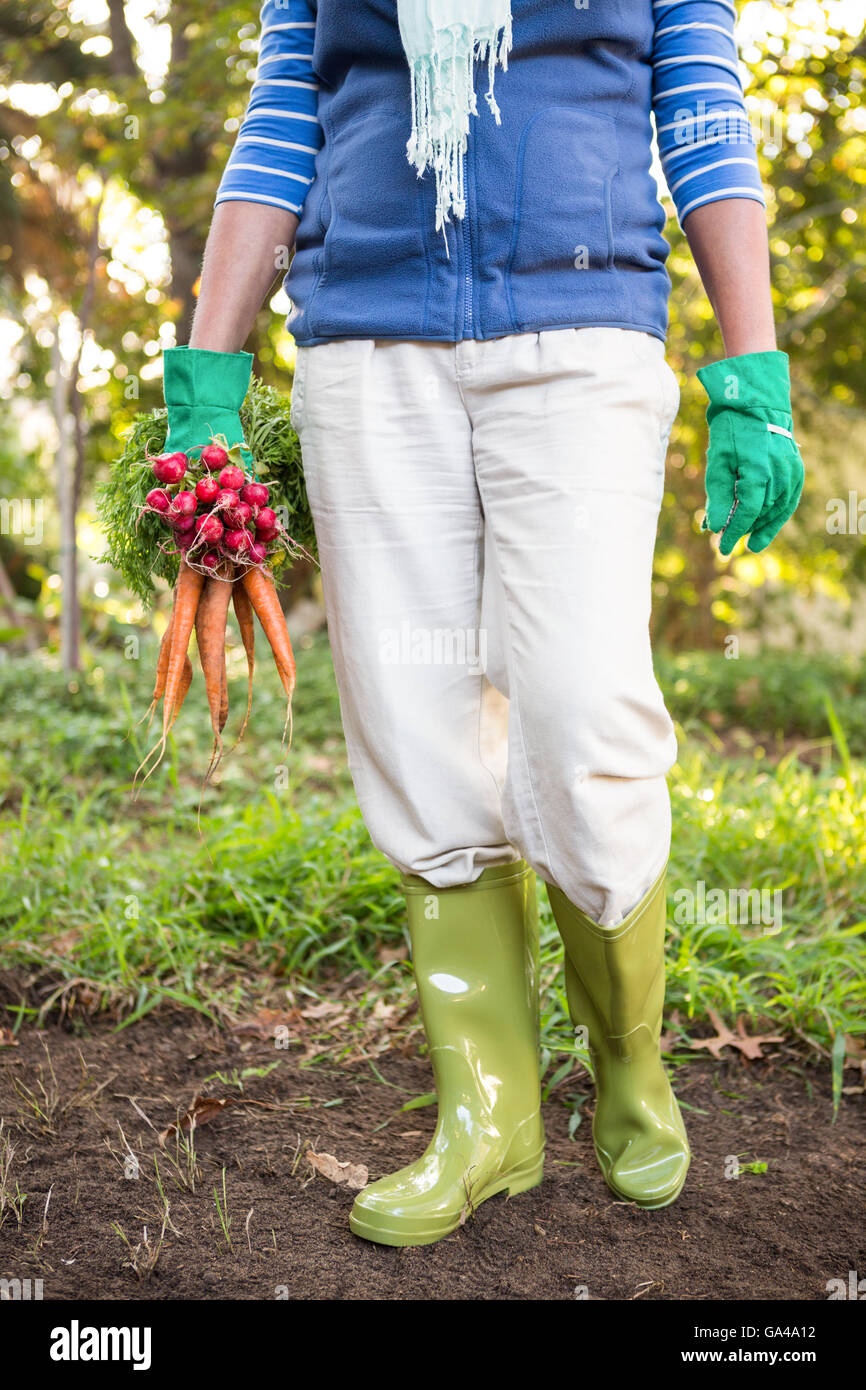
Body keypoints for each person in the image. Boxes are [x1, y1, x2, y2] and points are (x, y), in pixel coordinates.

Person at [161, 0, 804, 1247]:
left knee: (578, 706)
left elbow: (701, 103)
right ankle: (490, 1111)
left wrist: (752, 367)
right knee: (413, 723)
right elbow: (287, 105)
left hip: (580, 335)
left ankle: (628, 1064)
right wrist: (210, 367)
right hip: (362, 346)